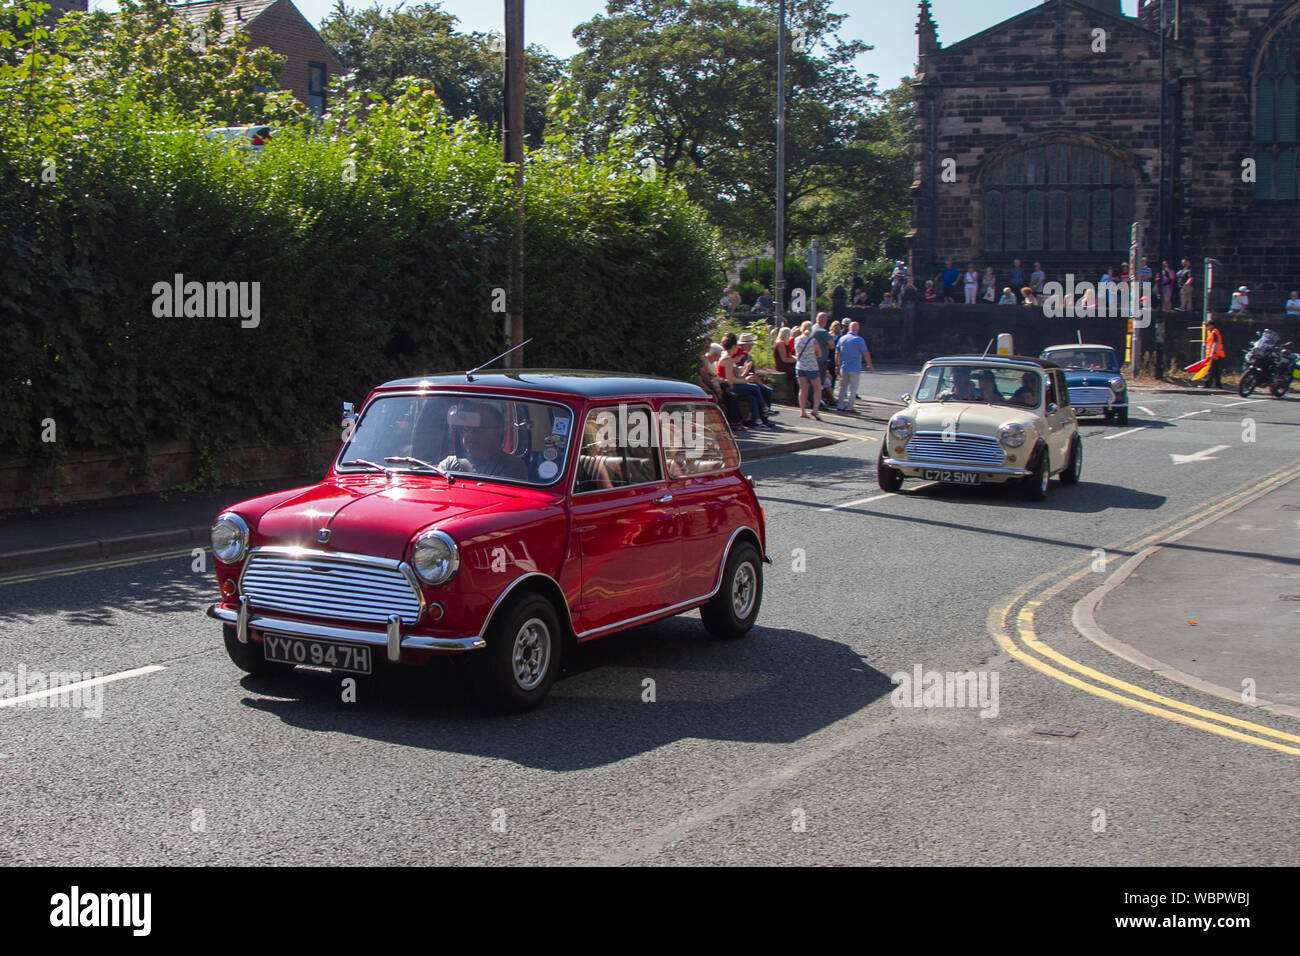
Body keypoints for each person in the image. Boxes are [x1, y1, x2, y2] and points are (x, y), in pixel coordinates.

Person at [438, 402, 528, 481]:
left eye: (478, 429)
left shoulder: (512, 467)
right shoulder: (449, 465)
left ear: (497, 432)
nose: (470, 434)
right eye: (467, 428)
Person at [718, 332, 775, 428]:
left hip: (733, 384)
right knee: (755, 388)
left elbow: (738, 376)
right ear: (734, 346)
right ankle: (765, 408)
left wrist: (745, 370)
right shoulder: (727, 359)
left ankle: (758, 421)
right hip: (728, 387)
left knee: (752, 397)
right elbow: (730, 379)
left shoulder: (730, 359)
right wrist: (746, 381)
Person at [835, 320, 872, 412]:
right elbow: (865, 353)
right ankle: (850, 407)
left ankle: (840, 405)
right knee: (853, 388)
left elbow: (837, 353)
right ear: (858, 329)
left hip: (844, 367)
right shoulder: (859, 340)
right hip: (855, 367)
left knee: (842, 387)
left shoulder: (842, 339)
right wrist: (869, 364)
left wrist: (837, 365)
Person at [792, 320, 823, 420]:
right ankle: (815, 410)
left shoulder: (796, 340)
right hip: (812, 367)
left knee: (803, 389)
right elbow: (819, 354)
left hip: (800, 366)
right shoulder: (813, 341)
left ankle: (802, 411)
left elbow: (796, 353)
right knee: (817, 389)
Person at [812, 312, 834, 409]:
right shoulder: (823, 332)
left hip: (811, 359)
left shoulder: (811, 329)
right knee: (819, 383)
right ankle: (819, 403)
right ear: (825, 321)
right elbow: (832, 345)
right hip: (821, 360)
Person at [1202, 315, 1225, 389]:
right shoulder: (1213, 332)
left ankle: (1207, 384)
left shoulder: (1214, 332)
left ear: (1211, 325)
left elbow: (1215, 343)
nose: (1206, 328)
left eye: (1207, 326)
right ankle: (1218, 385)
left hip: (1215, 354)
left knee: (1211, 370)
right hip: (1217, 354)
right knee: (1215, 371)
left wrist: (1211, 353)